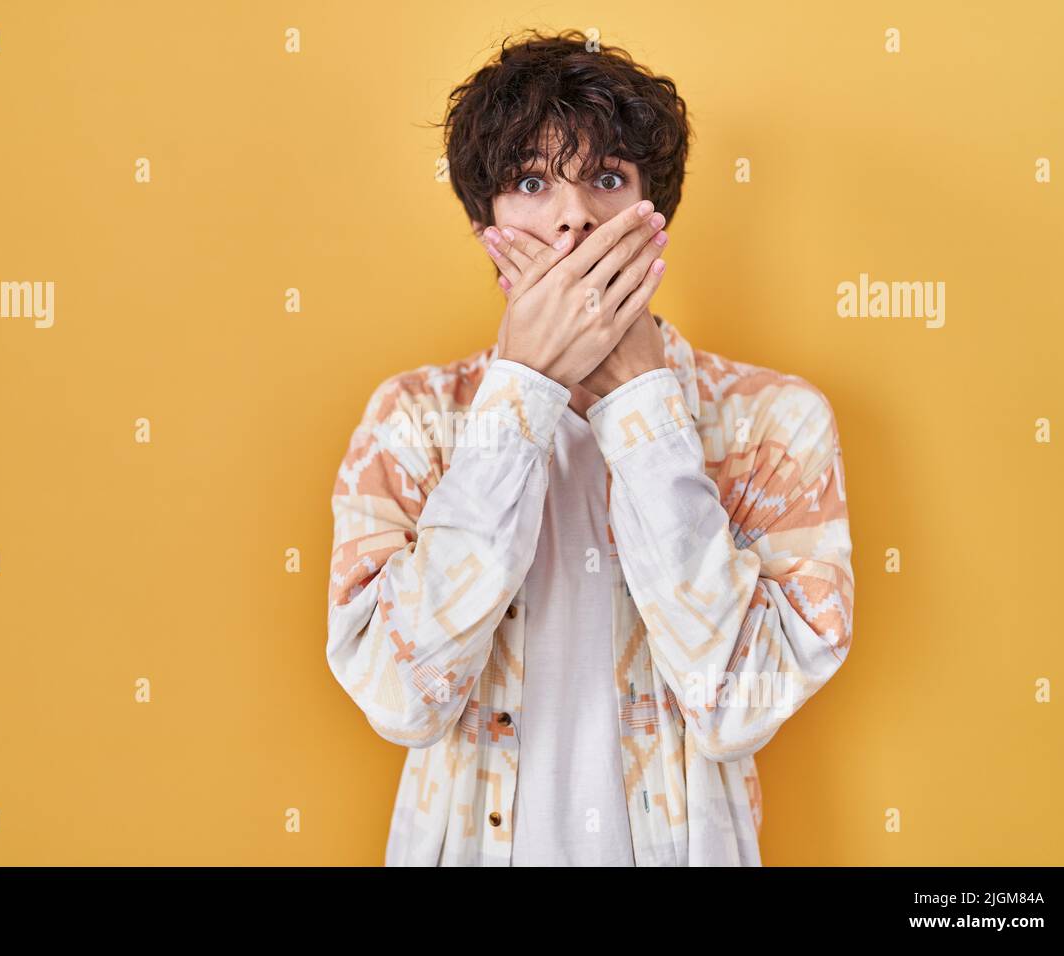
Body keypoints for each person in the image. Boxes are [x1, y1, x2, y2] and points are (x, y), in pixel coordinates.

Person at [325, 28, 854, 866]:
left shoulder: (774, 425)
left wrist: (647, 411)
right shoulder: (413, 420)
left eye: (608, 178)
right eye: (532, 182)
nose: (574, 215)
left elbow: (735, 708)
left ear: (655, 217)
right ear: (485, 222)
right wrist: (519, 398)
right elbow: (402, 699)